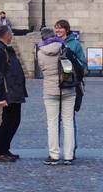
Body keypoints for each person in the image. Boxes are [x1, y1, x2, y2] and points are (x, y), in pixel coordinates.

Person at [36, 24, 86, 165]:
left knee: (52, 123)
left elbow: (42, 69)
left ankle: (54, 155)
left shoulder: (40, 52)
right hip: (68, 88)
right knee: (68, 122)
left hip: (50, 90)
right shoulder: (65, 48)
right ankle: (69, 155)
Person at [0, 24, 27, 162]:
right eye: (11, 34)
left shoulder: (5, 49)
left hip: (14, 91)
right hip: (7, 93)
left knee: (13, 121)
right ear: (7, 35)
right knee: (7, 123)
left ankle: (5, 149)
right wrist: (0, 97)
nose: (12, 36)